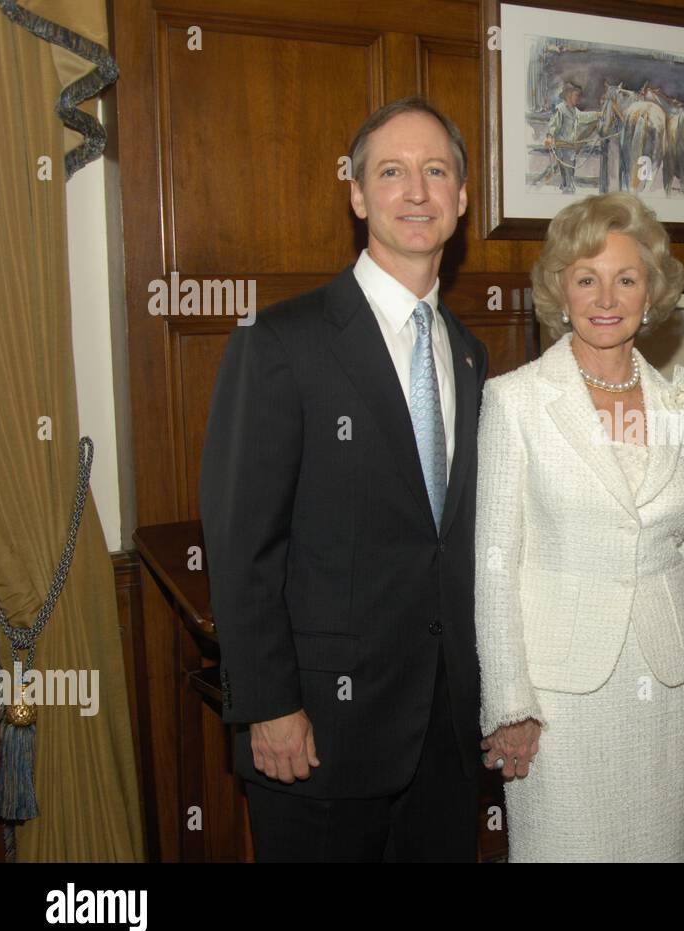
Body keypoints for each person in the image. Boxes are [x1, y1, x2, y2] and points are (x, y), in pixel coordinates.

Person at [200, 97, 488, 861]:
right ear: (358, 195)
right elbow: (239, 545)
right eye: (391, 172)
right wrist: (269, 706)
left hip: (446, 735)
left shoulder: (470, 354)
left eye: (436, 172)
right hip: (319, 735)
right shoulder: (280, 343)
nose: (416, 191)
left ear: (462, 198)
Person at [475, 192, 684, 862]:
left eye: (626, 277)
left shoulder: (683, 400)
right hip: (558, 698)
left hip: (664, 686)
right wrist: (510, 704)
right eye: (587, 278)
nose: (606, 296)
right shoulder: (517, 400)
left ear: (652, 291)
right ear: (561, 290)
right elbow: (495, 564)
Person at [544, 82, 599, 193]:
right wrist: (549, 137)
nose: (578, 98)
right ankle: (568, 189)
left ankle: (567, 188)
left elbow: (584, 116)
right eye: (576, 95)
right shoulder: (560, 110)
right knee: (566, 171)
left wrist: (597, 114)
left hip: (570, 147)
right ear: (569, 95)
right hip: (562, 146)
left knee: (569, 170)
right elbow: (553, 124)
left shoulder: (574, 111)